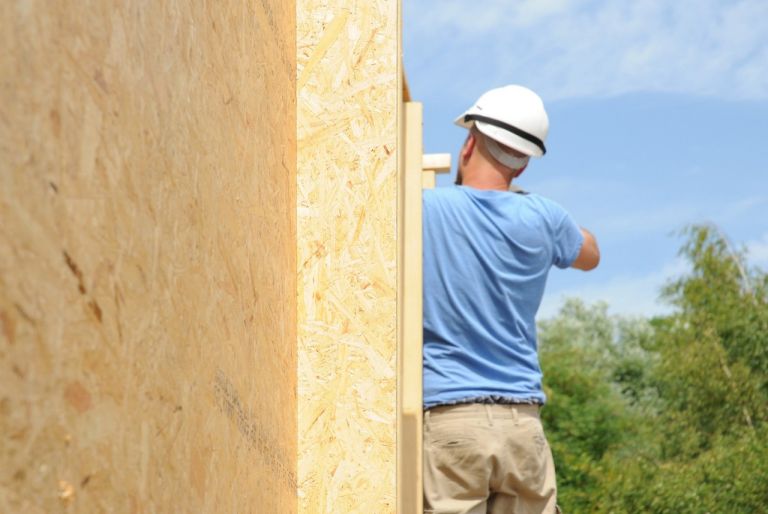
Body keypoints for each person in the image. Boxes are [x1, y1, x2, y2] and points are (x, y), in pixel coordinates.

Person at [422, 85, 600, 514]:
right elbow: (591, 254)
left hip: (451, 421)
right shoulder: (545, 217)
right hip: (522, 427)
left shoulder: (425, 209)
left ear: (469, 143)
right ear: (523, 164)